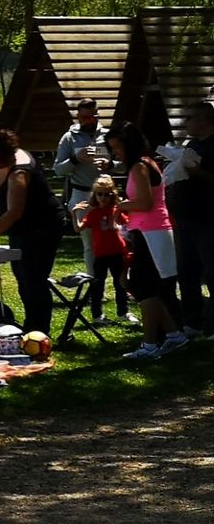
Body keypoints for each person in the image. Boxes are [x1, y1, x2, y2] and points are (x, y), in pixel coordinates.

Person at [108, 121, 186, 360]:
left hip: (150, 233)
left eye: (118, 147)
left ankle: (150, 345)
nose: (115, 153)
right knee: (147, 289)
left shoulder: (139, 166)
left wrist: (119, 204)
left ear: (129, 145)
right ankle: (173, 335)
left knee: (144, 289)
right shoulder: (147, 163)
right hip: (151, 232)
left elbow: (145, 203)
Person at [0, 129, 62, 337]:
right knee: (22, 278)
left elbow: (15, 211)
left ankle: (39, 332)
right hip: (22, 227)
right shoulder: (4, 161)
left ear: (9, 156)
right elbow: (7, 197)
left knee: (34, 279)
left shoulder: (19, 172)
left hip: (42, 227)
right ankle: (31, 326)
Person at [167, 101, 214, 339]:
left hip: (208, 221)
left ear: (204, 120)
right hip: (184, 219)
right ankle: (192, 322)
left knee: (212, 272)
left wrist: (198, 173)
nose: (186, 123)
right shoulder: (190, 145)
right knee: (186, 272)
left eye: (190, 118)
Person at [53, 98, 110, 274]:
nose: (87, 121)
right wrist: (76, 159)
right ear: (78, 116)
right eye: (83, 118)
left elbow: (123, 163)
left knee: (112, 239)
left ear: (97, 115)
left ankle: (118, 284)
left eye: (92, 117)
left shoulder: (107, 136)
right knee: (89, 243)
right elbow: (58, 170)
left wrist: (109, 164)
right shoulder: (69, 138)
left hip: (106, 197)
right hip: (81, 195)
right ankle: (94, 283)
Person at [71, 174, 131, 326]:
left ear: (112, 195)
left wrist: (127, 207)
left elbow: (129, 224)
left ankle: (123, 312)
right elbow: (78, 228)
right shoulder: (93, 214)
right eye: (100, 194)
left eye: (107, 194)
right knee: (98, 285)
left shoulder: (116, 210)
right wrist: (74, 213)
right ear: (95, 195)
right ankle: (97, 315)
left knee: (121, 284)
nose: (103, 198)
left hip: (118, 252)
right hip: (101, 254)